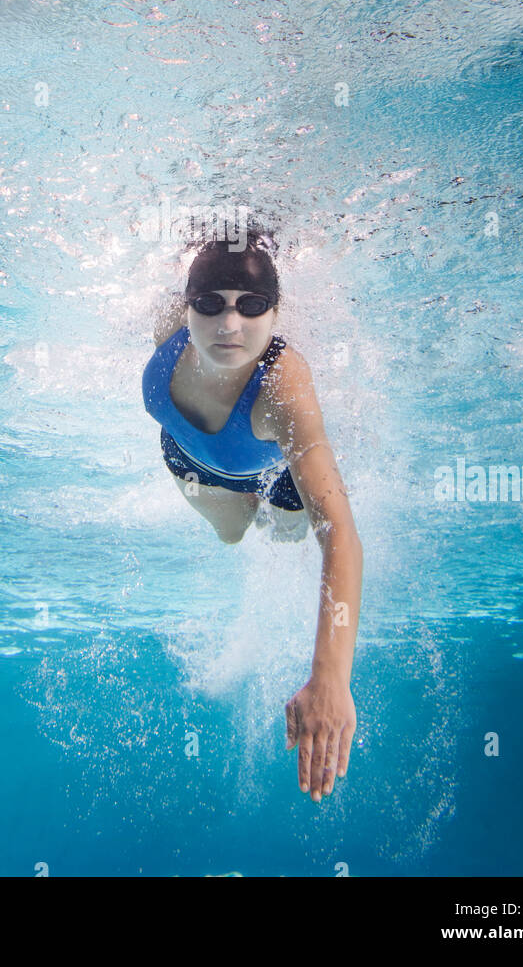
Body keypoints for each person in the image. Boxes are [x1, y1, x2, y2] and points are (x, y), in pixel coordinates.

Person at [142, 226, 363, 802]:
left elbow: (338, 532)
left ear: (276, 310)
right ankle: (243, 513)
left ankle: (267, 511)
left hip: (279, 479)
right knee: (232, 534)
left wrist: (331, 677)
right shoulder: (168, 330)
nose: (229, 324)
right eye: (209, 304)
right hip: (190, 462)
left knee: (288, 533)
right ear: (187, 303)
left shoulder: (283, 384)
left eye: (252, 305)